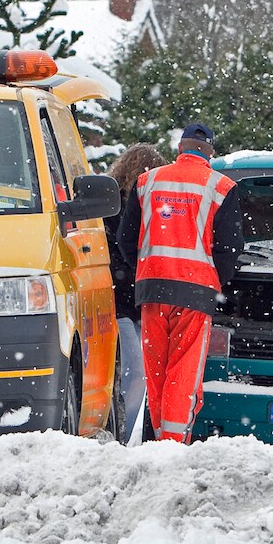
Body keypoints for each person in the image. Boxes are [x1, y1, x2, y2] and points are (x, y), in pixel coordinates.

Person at [117, 123, 243, 443]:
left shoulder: (148, 182)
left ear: (179, 149)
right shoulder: (221, 186)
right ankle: (171, 443)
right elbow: (229, 248)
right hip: (195, 293)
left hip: (152, 288)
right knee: (183, 370)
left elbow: (126, 239)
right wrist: (215, 281)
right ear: (210, 152)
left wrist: (144, 269)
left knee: (156, 369)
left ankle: (158, 436)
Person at [103, 143, 167, 443]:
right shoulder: (149, 204)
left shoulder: (109, 204)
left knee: (129, 372)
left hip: (118, 299)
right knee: (137, 374)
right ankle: (127, 434)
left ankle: (124, 432)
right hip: (139, 300)